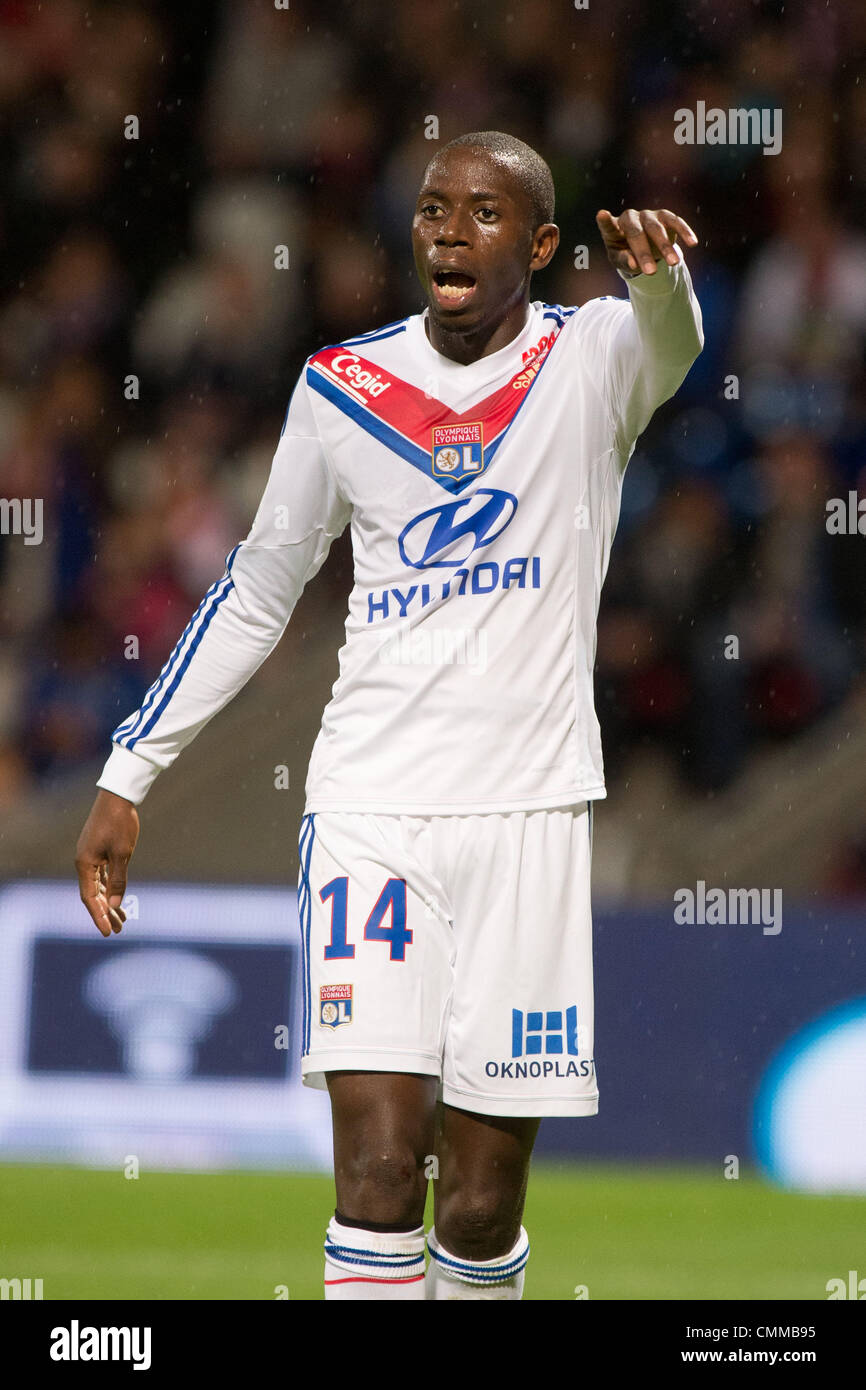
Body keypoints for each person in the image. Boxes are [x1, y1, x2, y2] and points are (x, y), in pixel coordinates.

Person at [75, 131, 703, 1300]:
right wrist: (130, 769)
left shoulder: (593, 354)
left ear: (541, 243)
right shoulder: (340, 385)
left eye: (481, 212)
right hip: (369, 807)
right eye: (429, 209)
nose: (447, 230)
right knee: (376, 1167)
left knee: (476, 1206)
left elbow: (671, 341)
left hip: (527, 812)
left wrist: (661, 279)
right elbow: (260, 584)